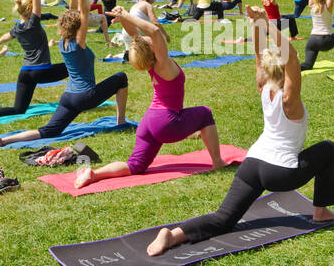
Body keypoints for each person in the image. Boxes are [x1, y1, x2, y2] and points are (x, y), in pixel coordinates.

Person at [144, 6, 334, 256]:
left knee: (223, 218)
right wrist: (267, 23)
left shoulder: (264, 88)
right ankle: (321, 211)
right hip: (280, 172)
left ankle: (172, 235)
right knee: (328, 149)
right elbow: (291, 56)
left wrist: (257, 24)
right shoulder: (290, 100)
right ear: (288, 74)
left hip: (252, 165)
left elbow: (260, 56)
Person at [74, 10, 225, 188]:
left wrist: (123, 19)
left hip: (148, 122)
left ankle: (93, 173)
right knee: (205, 113)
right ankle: (218, 161)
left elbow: (134, 35)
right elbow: (154, 31)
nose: (143, 37)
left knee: (135, 166)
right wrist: (128, 17)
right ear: (153, 48)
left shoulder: (150, 62)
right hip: (166, 122)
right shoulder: (162, 62)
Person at [0, 0, 128, 148]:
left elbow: (74, 9)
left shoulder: (62, 42)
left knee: (48, 131)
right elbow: (83, 11)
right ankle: (121, 121)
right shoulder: (78, 43)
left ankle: (2, 140)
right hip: (84, 96)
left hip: (68, 97)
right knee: (121, 77)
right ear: (78, 28)